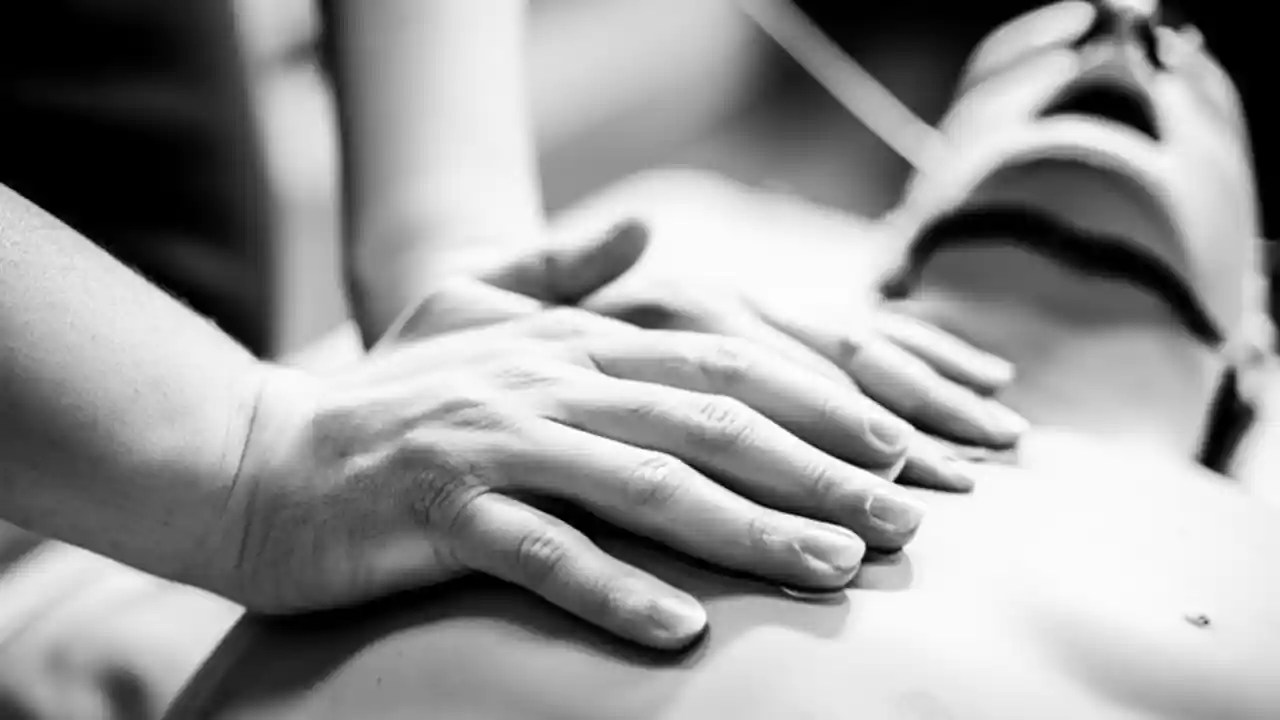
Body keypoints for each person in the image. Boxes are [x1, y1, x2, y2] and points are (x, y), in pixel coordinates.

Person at [167, 3, 1280, 719]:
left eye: (1195, 73)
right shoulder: (489, 400)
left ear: (1254, 347)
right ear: (886, 238)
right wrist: (246, 462)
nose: (1123, 23)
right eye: (1030, 47)